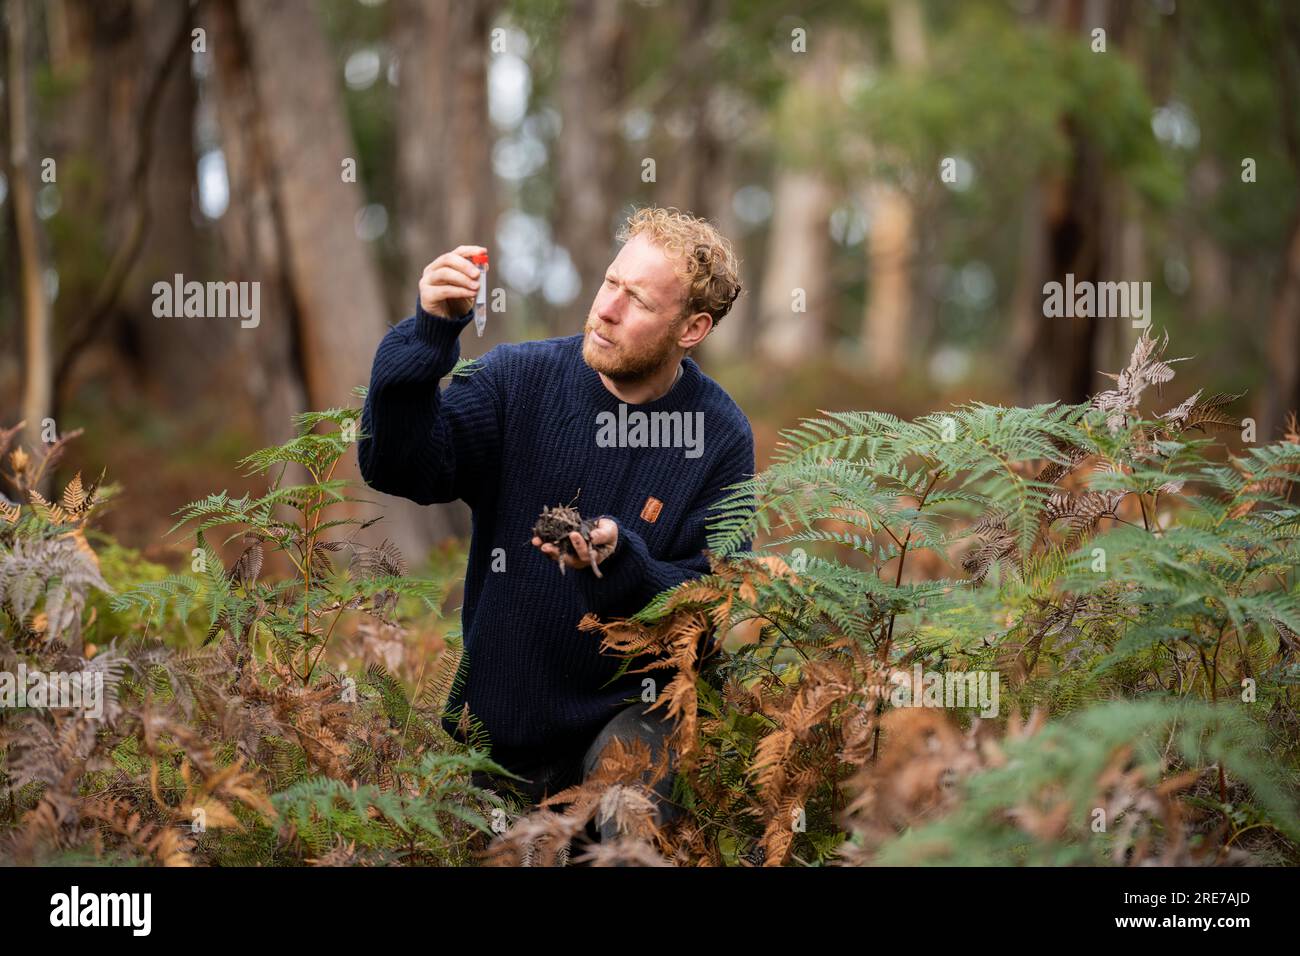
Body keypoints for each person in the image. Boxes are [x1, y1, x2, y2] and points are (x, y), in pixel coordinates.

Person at [357, 206, 754, 844]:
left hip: (626, 716)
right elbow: (398, 466)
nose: (606, 310)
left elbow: (712, 609)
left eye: (639, 301)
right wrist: (429, 336)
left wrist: (624, 562)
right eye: (610, 284)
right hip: (500, 728)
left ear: (693, 328)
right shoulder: (520, 381)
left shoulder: (718, 435)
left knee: (625, 824)